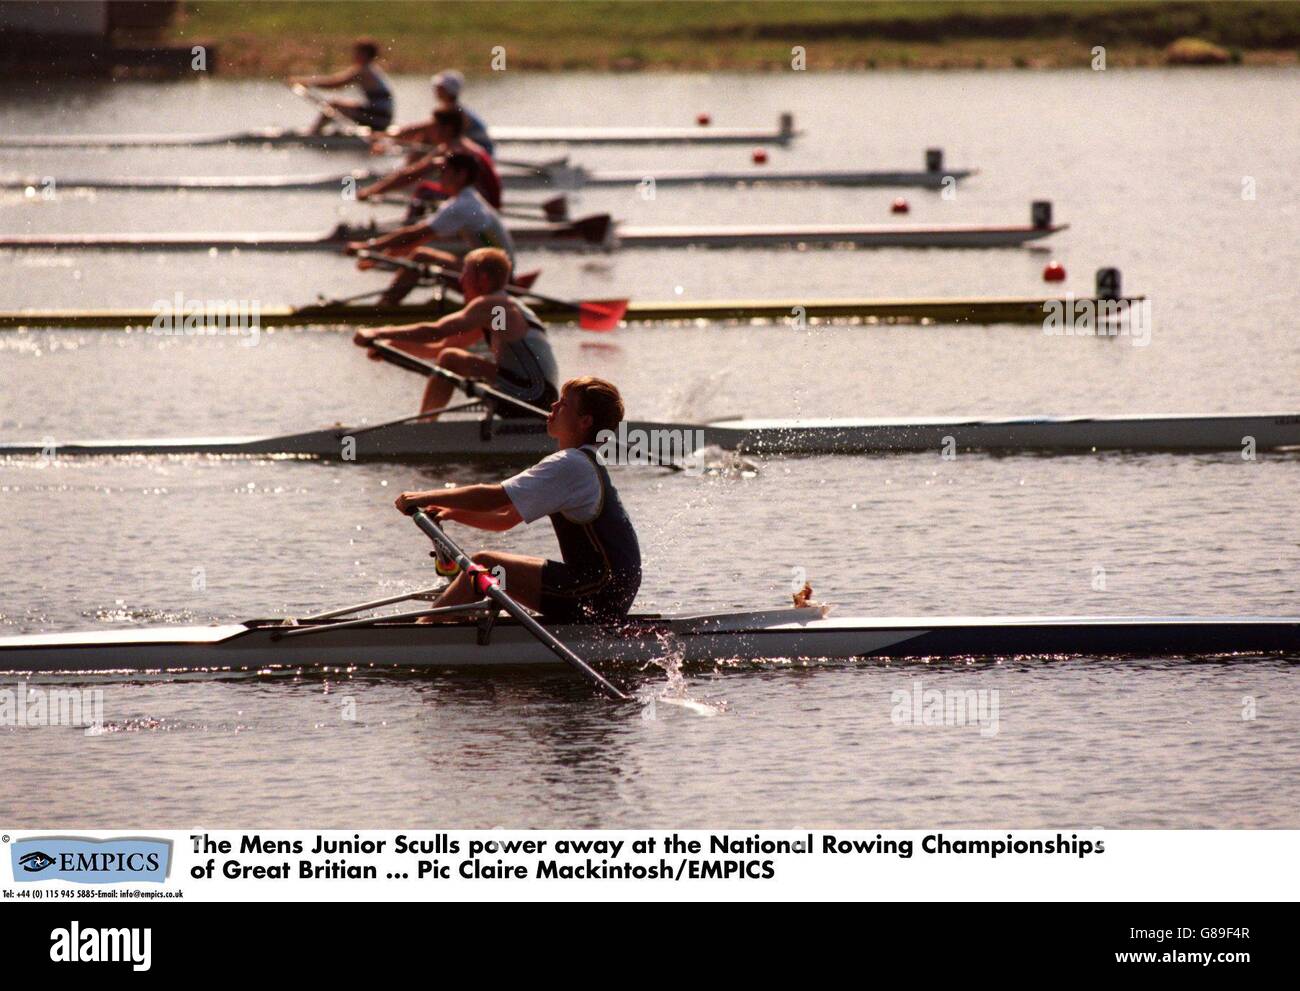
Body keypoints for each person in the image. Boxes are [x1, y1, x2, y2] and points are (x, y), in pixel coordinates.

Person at [393, 377, 641, 625]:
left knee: (485, 565)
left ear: (585, 421)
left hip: (596, 593)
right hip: (606, 593)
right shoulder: (582, 463)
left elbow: (496, 498)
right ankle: (452, 624)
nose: (553, 406)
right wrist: (452, 512)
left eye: (564, 404)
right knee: (485, 570)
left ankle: (423, 632)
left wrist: (422, 496)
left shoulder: (571, 464)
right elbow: (505, 519)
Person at [353, 247, 554, 416]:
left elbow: (435, 331)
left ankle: (424, 428)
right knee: (449, 356)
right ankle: (426, 425)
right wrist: (391, 348)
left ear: (483, 279)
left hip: (531, 396)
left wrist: (378, 333)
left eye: (465, 274)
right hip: (536, 395)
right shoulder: (500, 312)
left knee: (451, 359)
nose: (460, 281)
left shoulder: (494, 306)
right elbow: (438, 348)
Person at [356, 109, 502, 213]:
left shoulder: (456, 151)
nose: (431, 131)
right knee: (433, 188)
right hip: (480, 200)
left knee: (424, 191)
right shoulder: (458, 145)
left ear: (448, 129)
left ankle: (411, 233)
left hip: (484, 205)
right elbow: (413, 170)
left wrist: (372, 191)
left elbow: (411, 175)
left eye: (434, 127)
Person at [383, 69, 494, 158]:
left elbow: (423, 128)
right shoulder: (452, 109)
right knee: (426, 138)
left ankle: (409, 174)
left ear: (447, 90)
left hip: (482, 152)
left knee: (426, 137)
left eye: (439, 88)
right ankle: (410, 171)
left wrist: (389, 136)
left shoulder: (453, 112)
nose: (435, 90)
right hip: (467, 150)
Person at [290, 38, 394, 133]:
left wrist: (305, 82)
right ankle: (318, 132)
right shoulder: (370, 69)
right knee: (338, 105)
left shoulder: (364, 71)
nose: (353, 55)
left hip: (379, 118)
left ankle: (312, 134)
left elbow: (335, 83)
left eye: (357, 52)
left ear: (365, 54)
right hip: (381, 116)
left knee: (334, 105)